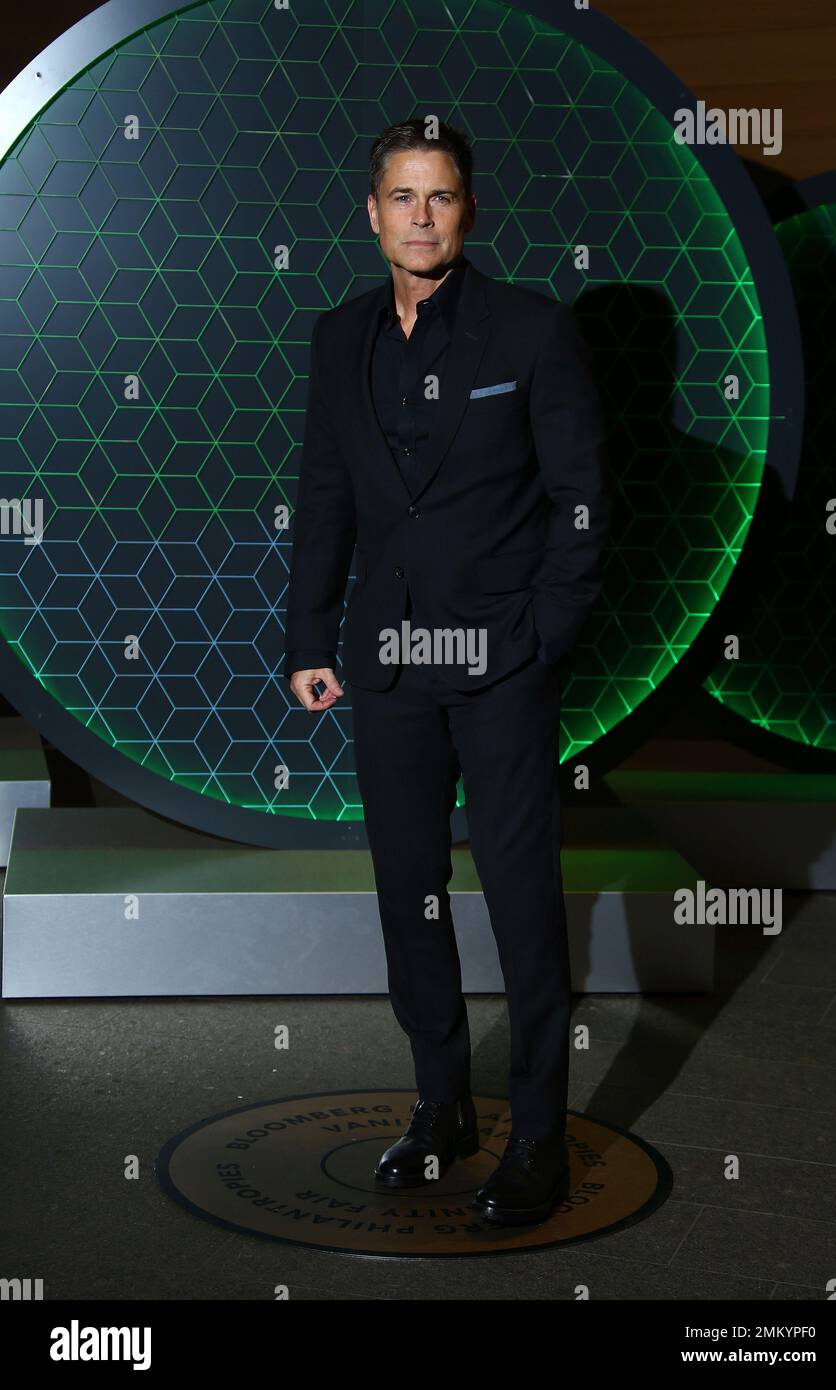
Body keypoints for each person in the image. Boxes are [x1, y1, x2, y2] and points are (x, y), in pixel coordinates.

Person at [284, 117, 610, 1225]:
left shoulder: (531, 331)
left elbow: (580, 500)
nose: (421, 215)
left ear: (467, 211)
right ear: (370, 212)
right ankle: (441, 1107)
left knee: (521, 903)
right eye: (401, 196)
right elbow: (325, 495)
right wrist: (309, 639)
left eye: (441, 196)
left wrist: (539, 637)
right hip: (385, 666)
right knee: (408, 896)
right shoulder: (339, 338)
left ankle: (536, 1141)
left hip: (498, 664)